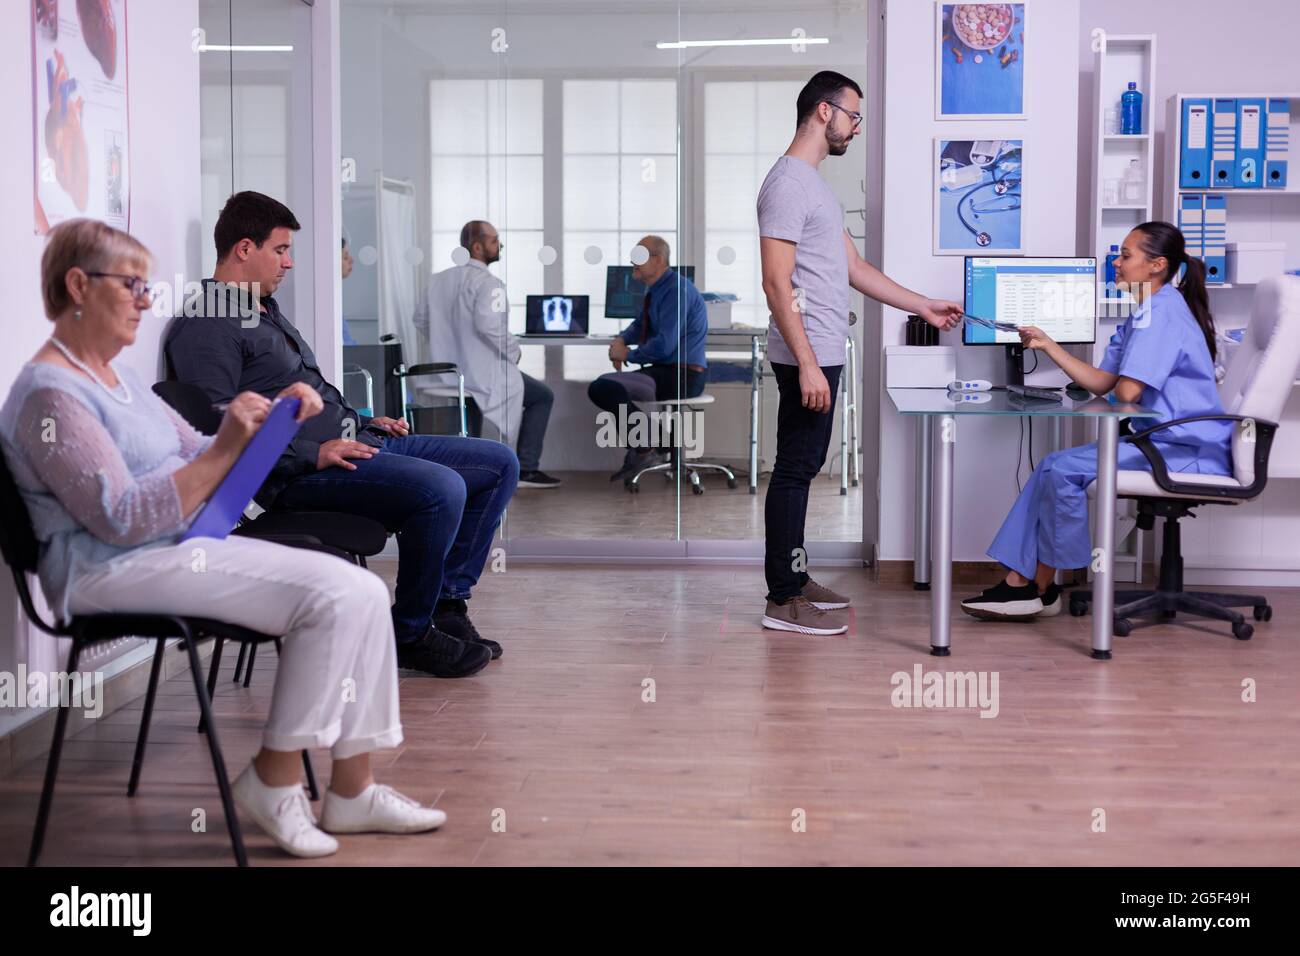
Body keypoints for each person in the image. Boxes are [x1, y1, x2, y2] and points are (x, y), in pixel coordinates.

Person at [0, 218, 445, 858]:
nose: (146, 302)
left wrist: (266, 426)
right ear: (77, 285)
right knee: (335, 595)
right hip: (106, 569)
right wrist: (227, 448)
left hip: (168, 548)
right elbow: (121, 516)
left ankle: (353, 790)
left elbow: (203, 453)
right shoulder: (50, 394)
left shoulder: (115, 381)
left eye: (147, 287)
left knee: (365, 593)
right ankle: (274, 778)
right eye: (132, 285)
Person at [165, 192, 517, 677]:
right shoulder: (207, 326)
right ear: (244, 248)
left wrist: (365, 420)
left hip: (355, 441)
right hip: (299, 476)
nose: (289, 263)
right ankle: (410, 633)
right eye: (281, 250)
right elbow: (220, 431)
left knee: (498, 463)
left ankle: (446, 607)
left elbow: (312, 394)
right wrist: (314, 452)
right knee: (443, 488)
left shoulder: (263, 310)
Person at [758, 71, 962, 635]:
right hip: (807, 353)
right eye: (853, 116)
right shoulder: (786, 184)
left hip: (822, 348)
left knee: (803, 468)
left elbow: (855, 268)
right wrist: (803, 361)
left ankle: (796, 581)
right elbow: (777, 284)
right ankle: (781, 598)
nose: (855, 127)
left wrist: (920, 305)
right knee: (795, 472)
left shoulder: (817, 186)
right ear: (824, 112)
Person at [962, 221, 1233, 620]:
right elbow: (1104, 382)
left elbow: (1127, 393)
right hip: (1162, 441)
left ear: (1157, 265)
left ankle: (1036, 585)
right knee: (1054, 466)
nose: (1116, 263)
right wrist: (1048, 344)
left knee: (1059, 469)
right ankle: (1034, 585)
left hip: (1184, 450)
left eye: (1126, 256)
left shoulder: (1162, 314)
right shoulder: (1145, 312)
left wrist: (1121, 383)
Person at [417, 220, 560, 488]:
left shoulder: (438, 280)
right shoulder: (489, 282)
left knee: (471, 403)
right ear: (477, 246)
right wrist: (513, 351)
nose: (500, 245)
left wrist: (447, 343)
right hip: (480, 372)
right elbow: (488, 323)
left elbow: (421, 320)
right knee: (542, 396)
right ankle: (527, 469)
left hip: (448, 374)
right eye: (495, 240)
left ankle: (468, 472)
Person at [588, 235, 709, 482]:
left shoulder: (677, 291)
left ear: (658, 260)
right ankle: (657, 442)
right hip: (664, 371)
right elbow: (639, 325)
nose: (634, 262)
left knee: (604, 387)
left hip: (682, 375)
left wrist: (628, 354)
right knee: (605, 387)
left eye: (640, 257)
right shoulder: (659, 290)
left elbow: (664, 345)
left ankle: (648, 445)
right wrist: (622, 339)